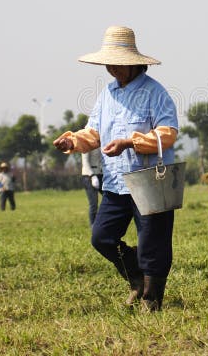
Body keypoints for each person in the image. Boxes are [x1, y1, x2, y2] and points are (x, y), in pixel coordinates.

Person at [53, 26, 179, 312]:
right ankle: (136, 277)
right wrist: (72, 140)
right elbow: (93, 132)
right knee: (102, 237)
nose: (112, 69)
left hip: (149, 181)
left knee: (152, 242)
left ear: (134, 62)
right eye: (108, 63)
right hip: (115, 182)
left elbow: (168, 133)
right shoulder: (106, 95)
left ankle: (152, 298)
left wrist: (131, 143)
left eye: (117, 63)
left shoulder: (154, 92)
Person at [82, 149, 103, 227]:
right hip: (89, 176)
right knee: (93, 203)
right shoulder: (86, 144)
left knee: (108, 199)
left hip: (101, 175)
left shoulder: (101, 142)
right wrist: (92, 176)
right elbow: (85, 163)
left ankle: (103, 221)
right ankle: (93, 225)